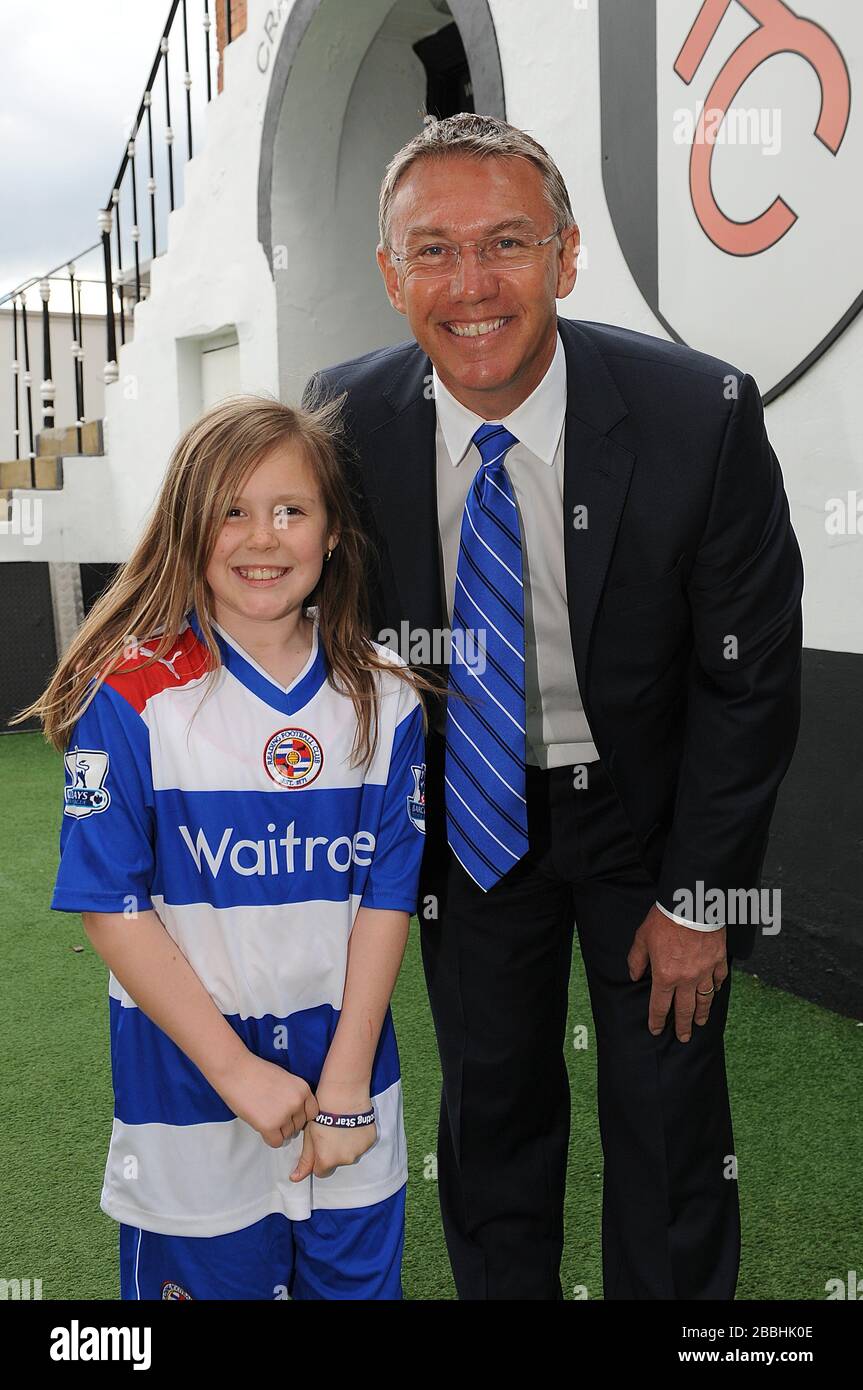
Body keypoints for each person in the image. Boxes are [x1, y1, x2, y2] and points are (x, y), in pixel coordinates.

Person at [302, 112, 804, 1300]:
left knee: (668, 1120)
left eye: (507, 244)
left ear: (565, 258)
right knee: (490, 1113)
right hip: (468, 819)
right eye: (431, 250)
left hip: (648, 817)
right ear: (388, 274)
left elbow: (750, 676)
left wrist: (697, 893)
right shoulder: (342, 414)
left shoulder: (700, 414)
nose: (470, 285)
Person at [17, 394, 433, 1300]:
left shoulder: (388, 698)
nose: (263, 537)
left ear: (332, 535)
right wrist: (237, 1069)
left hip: (349, 1097)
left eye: (291, 510)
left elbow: (386, 898)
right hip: (188, 1106)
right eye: (231, 511)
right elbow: (109, 905)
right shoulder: (126, 698)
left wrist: (348, 1084)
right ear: (187, 530)